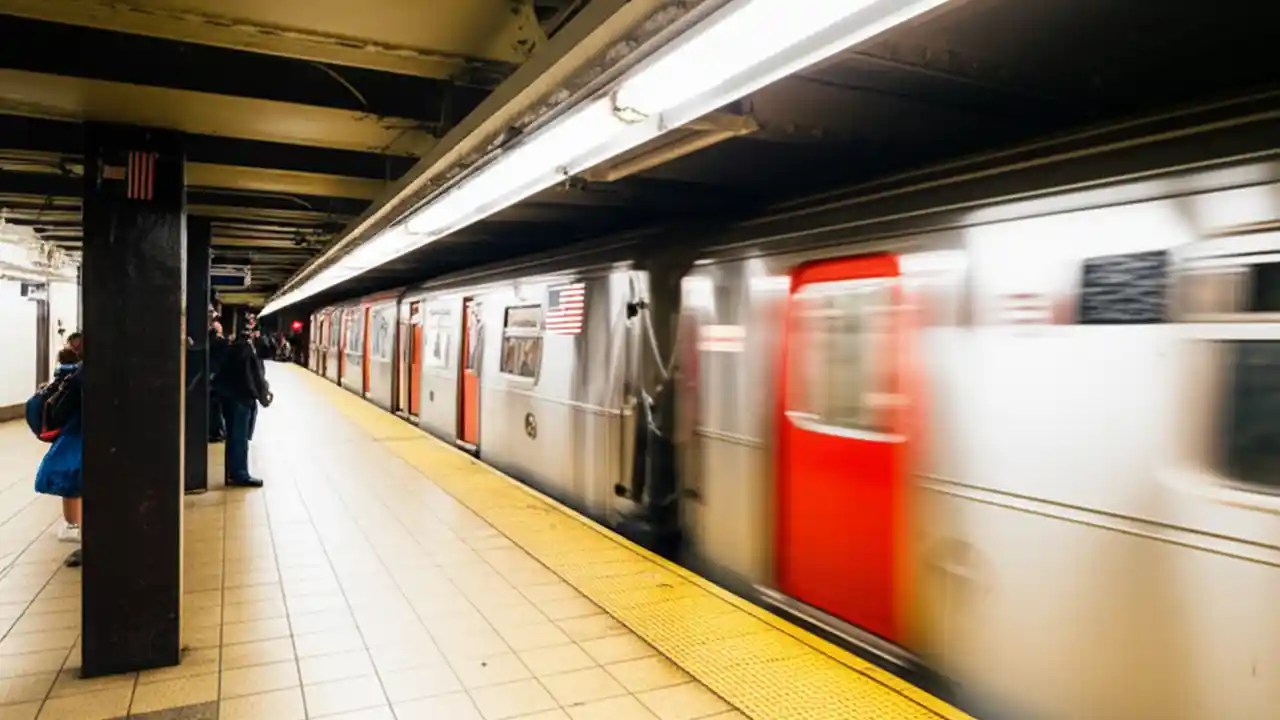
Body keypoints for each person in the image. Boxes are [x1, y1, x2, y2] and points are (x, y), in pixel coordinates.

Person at [35, 348, 84, 563]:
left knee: (70, 478)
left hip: (79, 434)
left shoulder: (79, 375)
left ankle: (75, 526)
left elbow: (59, 412)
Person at [213, 334, 270, 488]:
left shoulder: (241, 347)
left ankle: (235, 472)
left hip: (236, 396)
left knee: (237, 436)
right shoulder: (242, 349)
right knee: (239, 437)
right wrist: (261, 393)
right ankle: (239, 474)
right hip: (239, 397)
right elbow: (252, 376)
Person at [208, 321, 228, 442]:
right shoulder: (224, 344)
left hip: (215, 377)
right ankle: (220, 430)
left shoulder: (216, 343)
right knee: (217, 408)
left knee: (215, 407)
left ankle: (218, 430)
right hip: (219, 379)